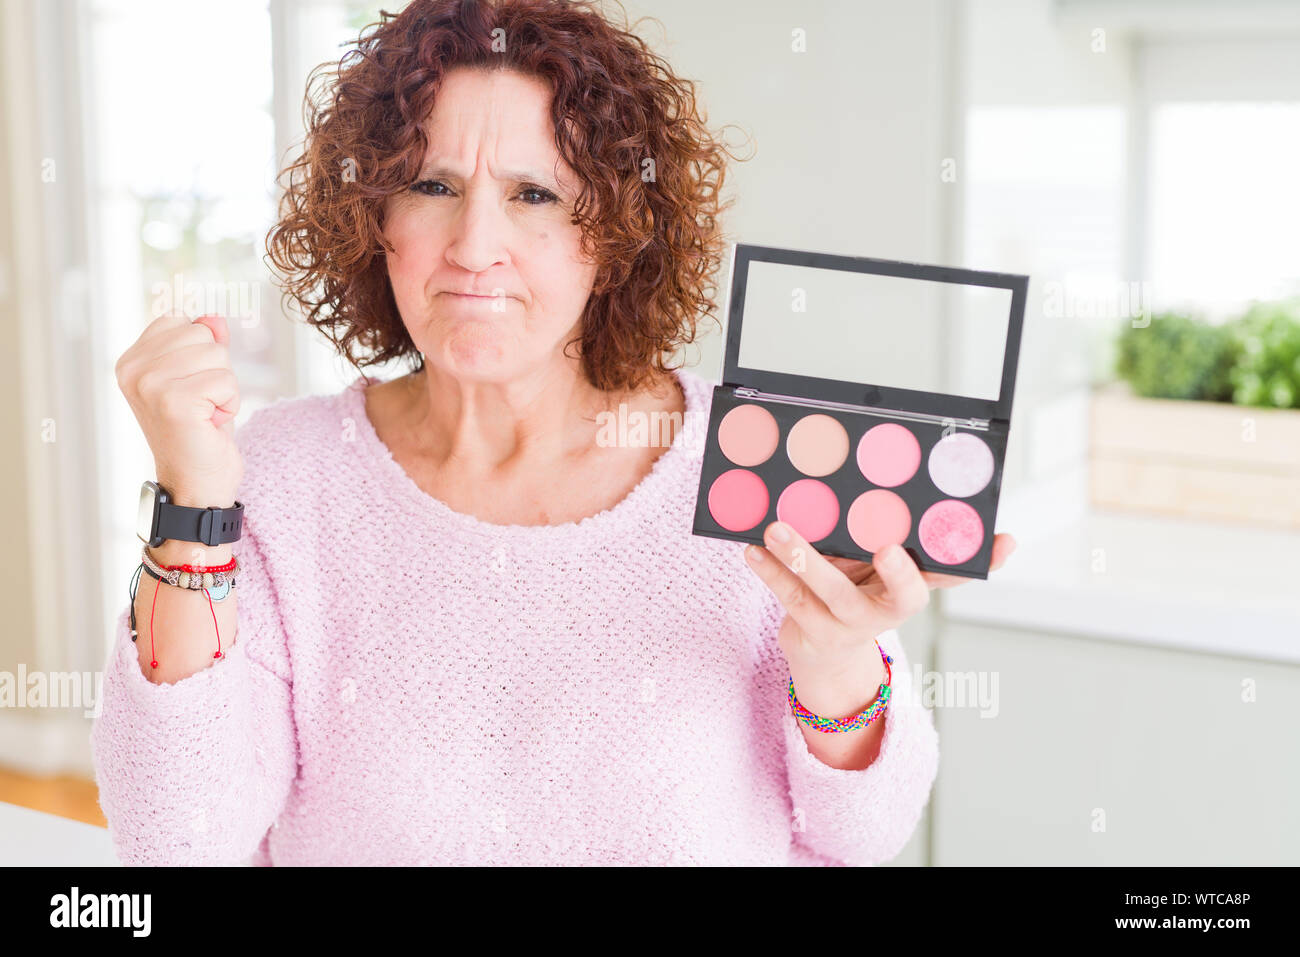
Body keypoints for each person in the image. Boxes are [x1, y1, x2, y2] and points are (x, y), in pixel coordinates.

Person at [92, 0, 1014, 866]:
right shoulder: (285, 476)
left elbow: (869, 831)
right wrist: (192, 503)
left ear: (615, 233)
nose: (472, 245)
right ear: (377, 219)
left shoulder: (744, 462)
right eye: (431, 184)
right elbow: (178, 834)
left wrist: (836, 659)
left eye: (533, 193)